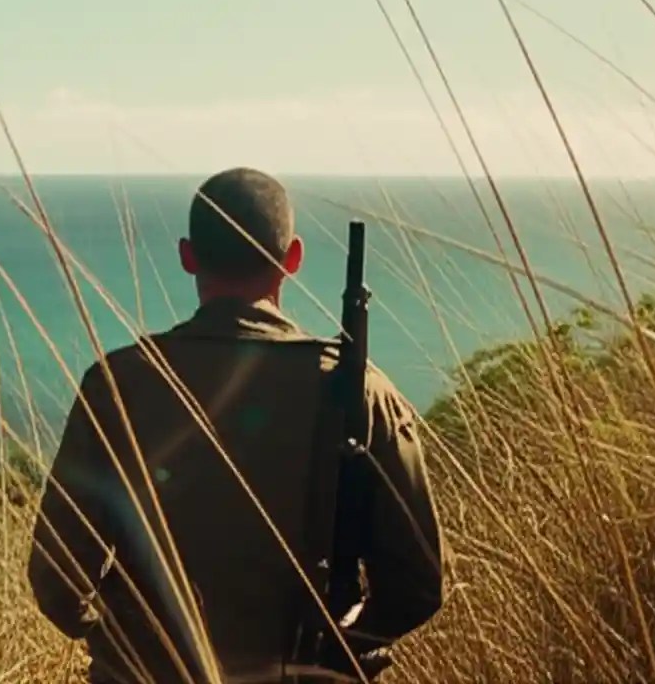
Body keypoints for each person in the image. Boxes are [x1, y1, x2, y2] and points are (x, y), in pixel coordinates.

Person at [26, 167, 443, 683]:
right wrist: (343, 649)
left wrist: (122, 644)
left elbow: (58, 579)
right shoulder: (362, 391)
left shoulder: (118, 383)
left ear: (187, 256)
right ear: (292, 259)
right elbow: (419, 587)